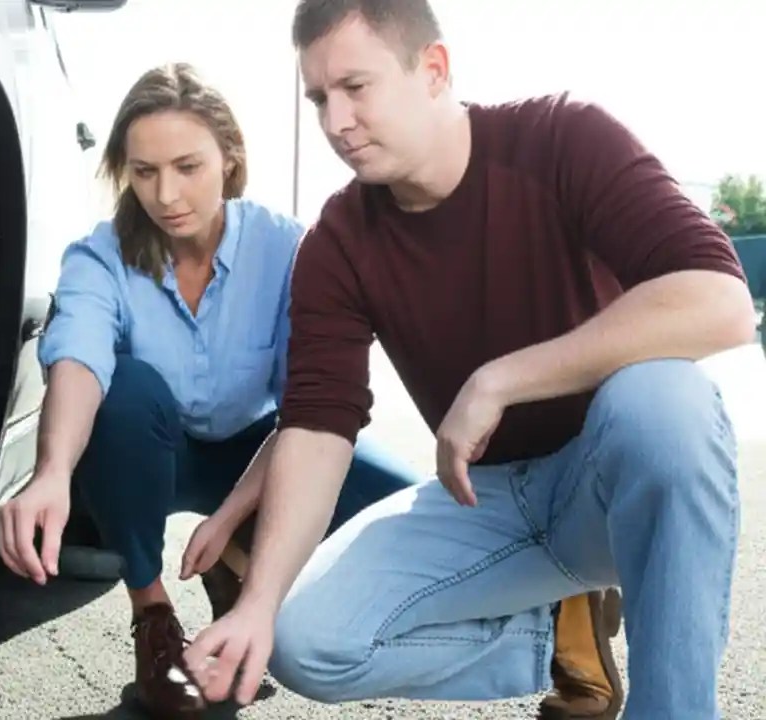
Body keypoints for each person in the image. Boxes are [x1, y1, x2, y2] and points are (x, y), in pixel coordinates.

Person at [182, 2, 756, 720]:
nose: (335, 122)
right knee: (304, 638)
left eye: (356, 88)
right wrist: (256, 607)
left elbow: (719, 302)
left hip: (609, 484)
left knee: (665, 398)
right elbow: (317, 425)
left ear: (434, 70)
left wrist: (500, 380)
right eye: (319, 98)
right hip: (486, 501)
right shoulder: (336, 243)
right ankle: (555, 633)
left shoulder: (561, 138)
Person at [0, 62, 423, 718]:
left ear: (229, 158)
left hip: (253, 452)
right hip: (142, 455)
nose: (165, 194)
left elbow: (310, 413)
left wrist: (230, 520)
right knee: (127, 387)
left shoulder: (291, 250)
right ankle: (154, 619)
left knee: (413, 511)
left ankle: (242, 561)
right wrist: (51, 473)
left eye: (187, 166)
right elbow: (78, 357)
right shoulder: (98, 256)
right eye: (144, 172)